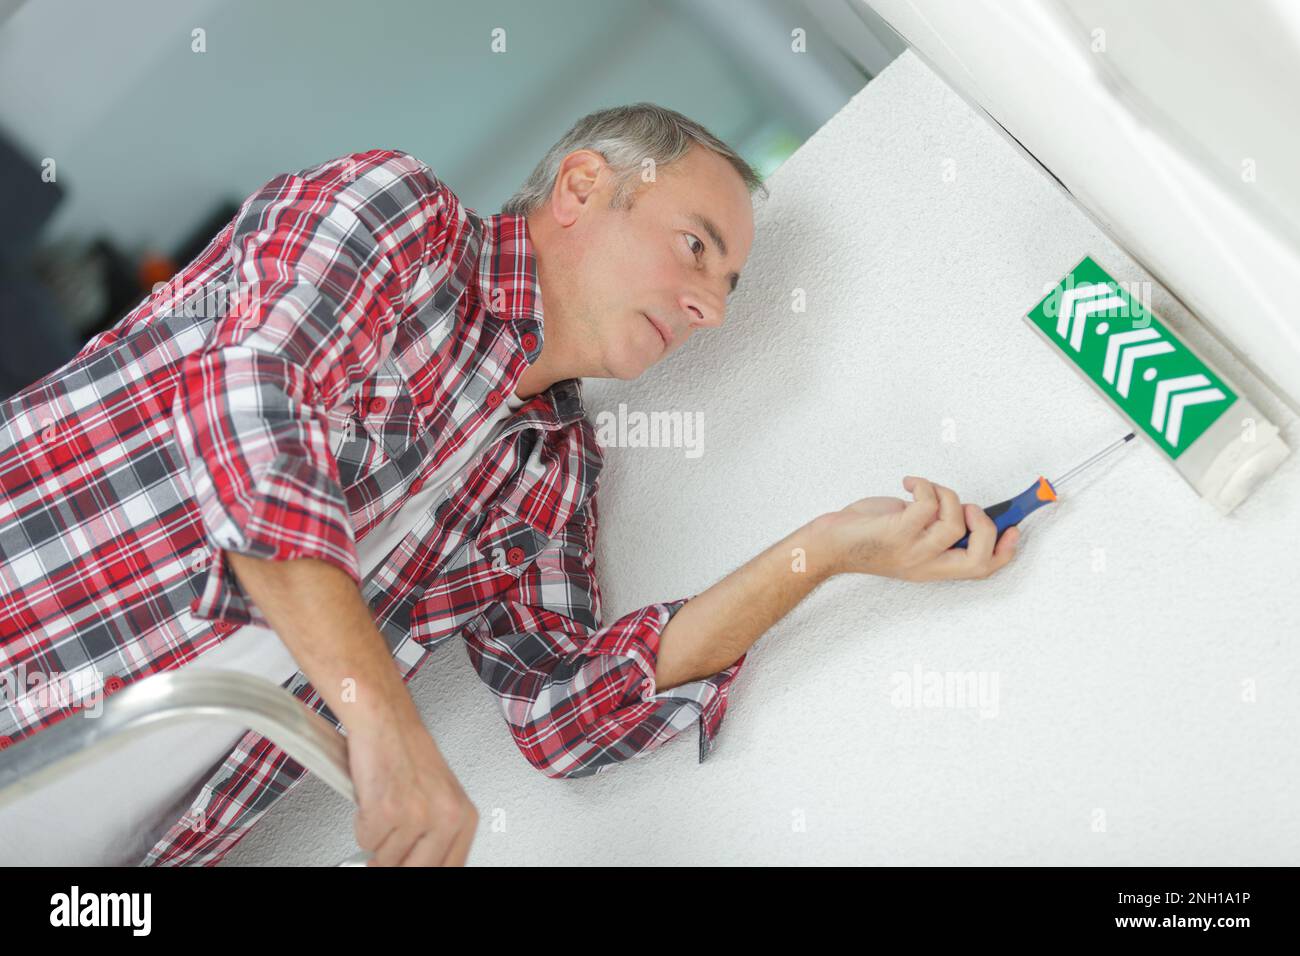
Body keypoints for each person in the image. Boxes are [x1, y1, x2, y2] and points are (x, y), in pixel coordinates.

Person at [0, 103, 1018, 867]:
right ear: (579, 189)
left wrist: (824, 549)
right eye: (695, 248)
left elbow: (567, 712)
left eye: (726, 290)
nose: (708, 305)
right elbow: (244, 418)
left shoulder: (548, 473)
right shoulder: (396, 221)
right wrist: (380, 721)